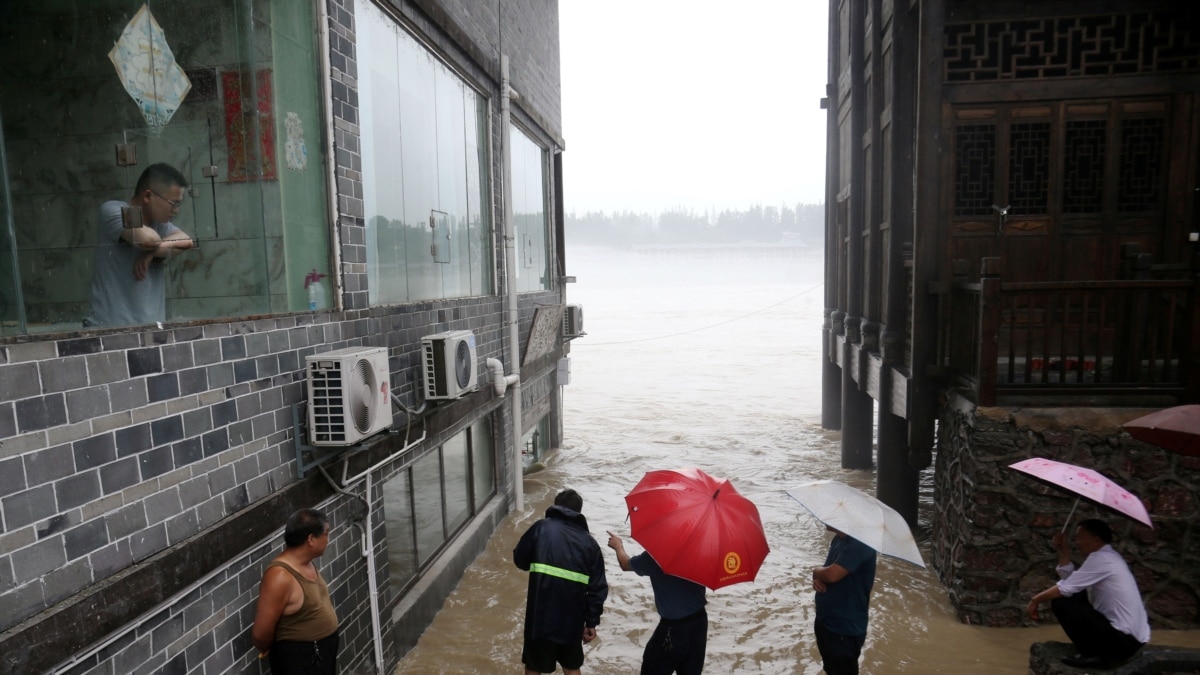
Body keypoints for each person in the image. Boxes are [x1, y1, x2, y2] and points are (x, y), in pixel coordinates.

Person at [1026, 518, 1150, 669]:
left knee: (1061, 602)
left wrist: (1035, 600)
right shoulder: (1108, 556)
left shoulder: (1101, 559)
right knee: (1073, 596)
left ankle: (1093, 655)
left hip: (1124, 642)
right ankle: (1095, 651)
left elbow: (1065, 588)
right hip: (1130, 640)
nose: (1077, 542)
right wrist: (1063, 550)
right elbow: (1071, 581)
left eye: (1080, 537)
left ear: (1096, 541)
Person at [84, 162, 194, 327]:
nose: (176, 210)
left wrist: (150, 254)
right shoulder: (112, 210)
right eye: (173, 203)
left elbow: (186, 241)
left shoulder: (160, 224)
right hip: (109, 328)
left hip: (151, 328)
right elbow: (146, 240)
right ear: (147, 196)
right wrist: (155, 248)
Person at [513, 489, 609, 675]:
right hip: (571, 621)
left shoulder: (541, 528)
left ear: (556, 506)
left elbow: (520, 559)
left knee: (534, 666)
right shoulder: (590, 544)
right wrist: (591, 623)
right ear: (579, 512)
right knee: (572, 667)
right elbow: (598, 588)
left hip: (538, 619)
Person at [606, 531, 708, 675]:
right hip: (700, 623)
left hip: (673, 628)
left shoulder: (657, 555)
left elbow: (625, 564)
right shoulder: (701, 549)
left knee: (652, 667)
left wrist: (618, 546)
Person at [251, 508, 339, 674]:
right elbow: (260, 634)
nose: (328, 539)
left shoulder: (307, 562)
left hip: (321, 655)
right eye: (326, 533)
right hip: (301, 661)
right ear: (311, 539)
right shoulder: (280, 577)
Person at [812, 526, 877, 675]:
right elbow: (827, 573)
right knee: (831, 668)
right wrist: (817, 579)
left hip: (843, 628)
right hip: (827, 621)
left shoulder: (860, 543)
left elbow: (832, 574)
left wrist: (815, 571)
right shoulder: (839, 540)